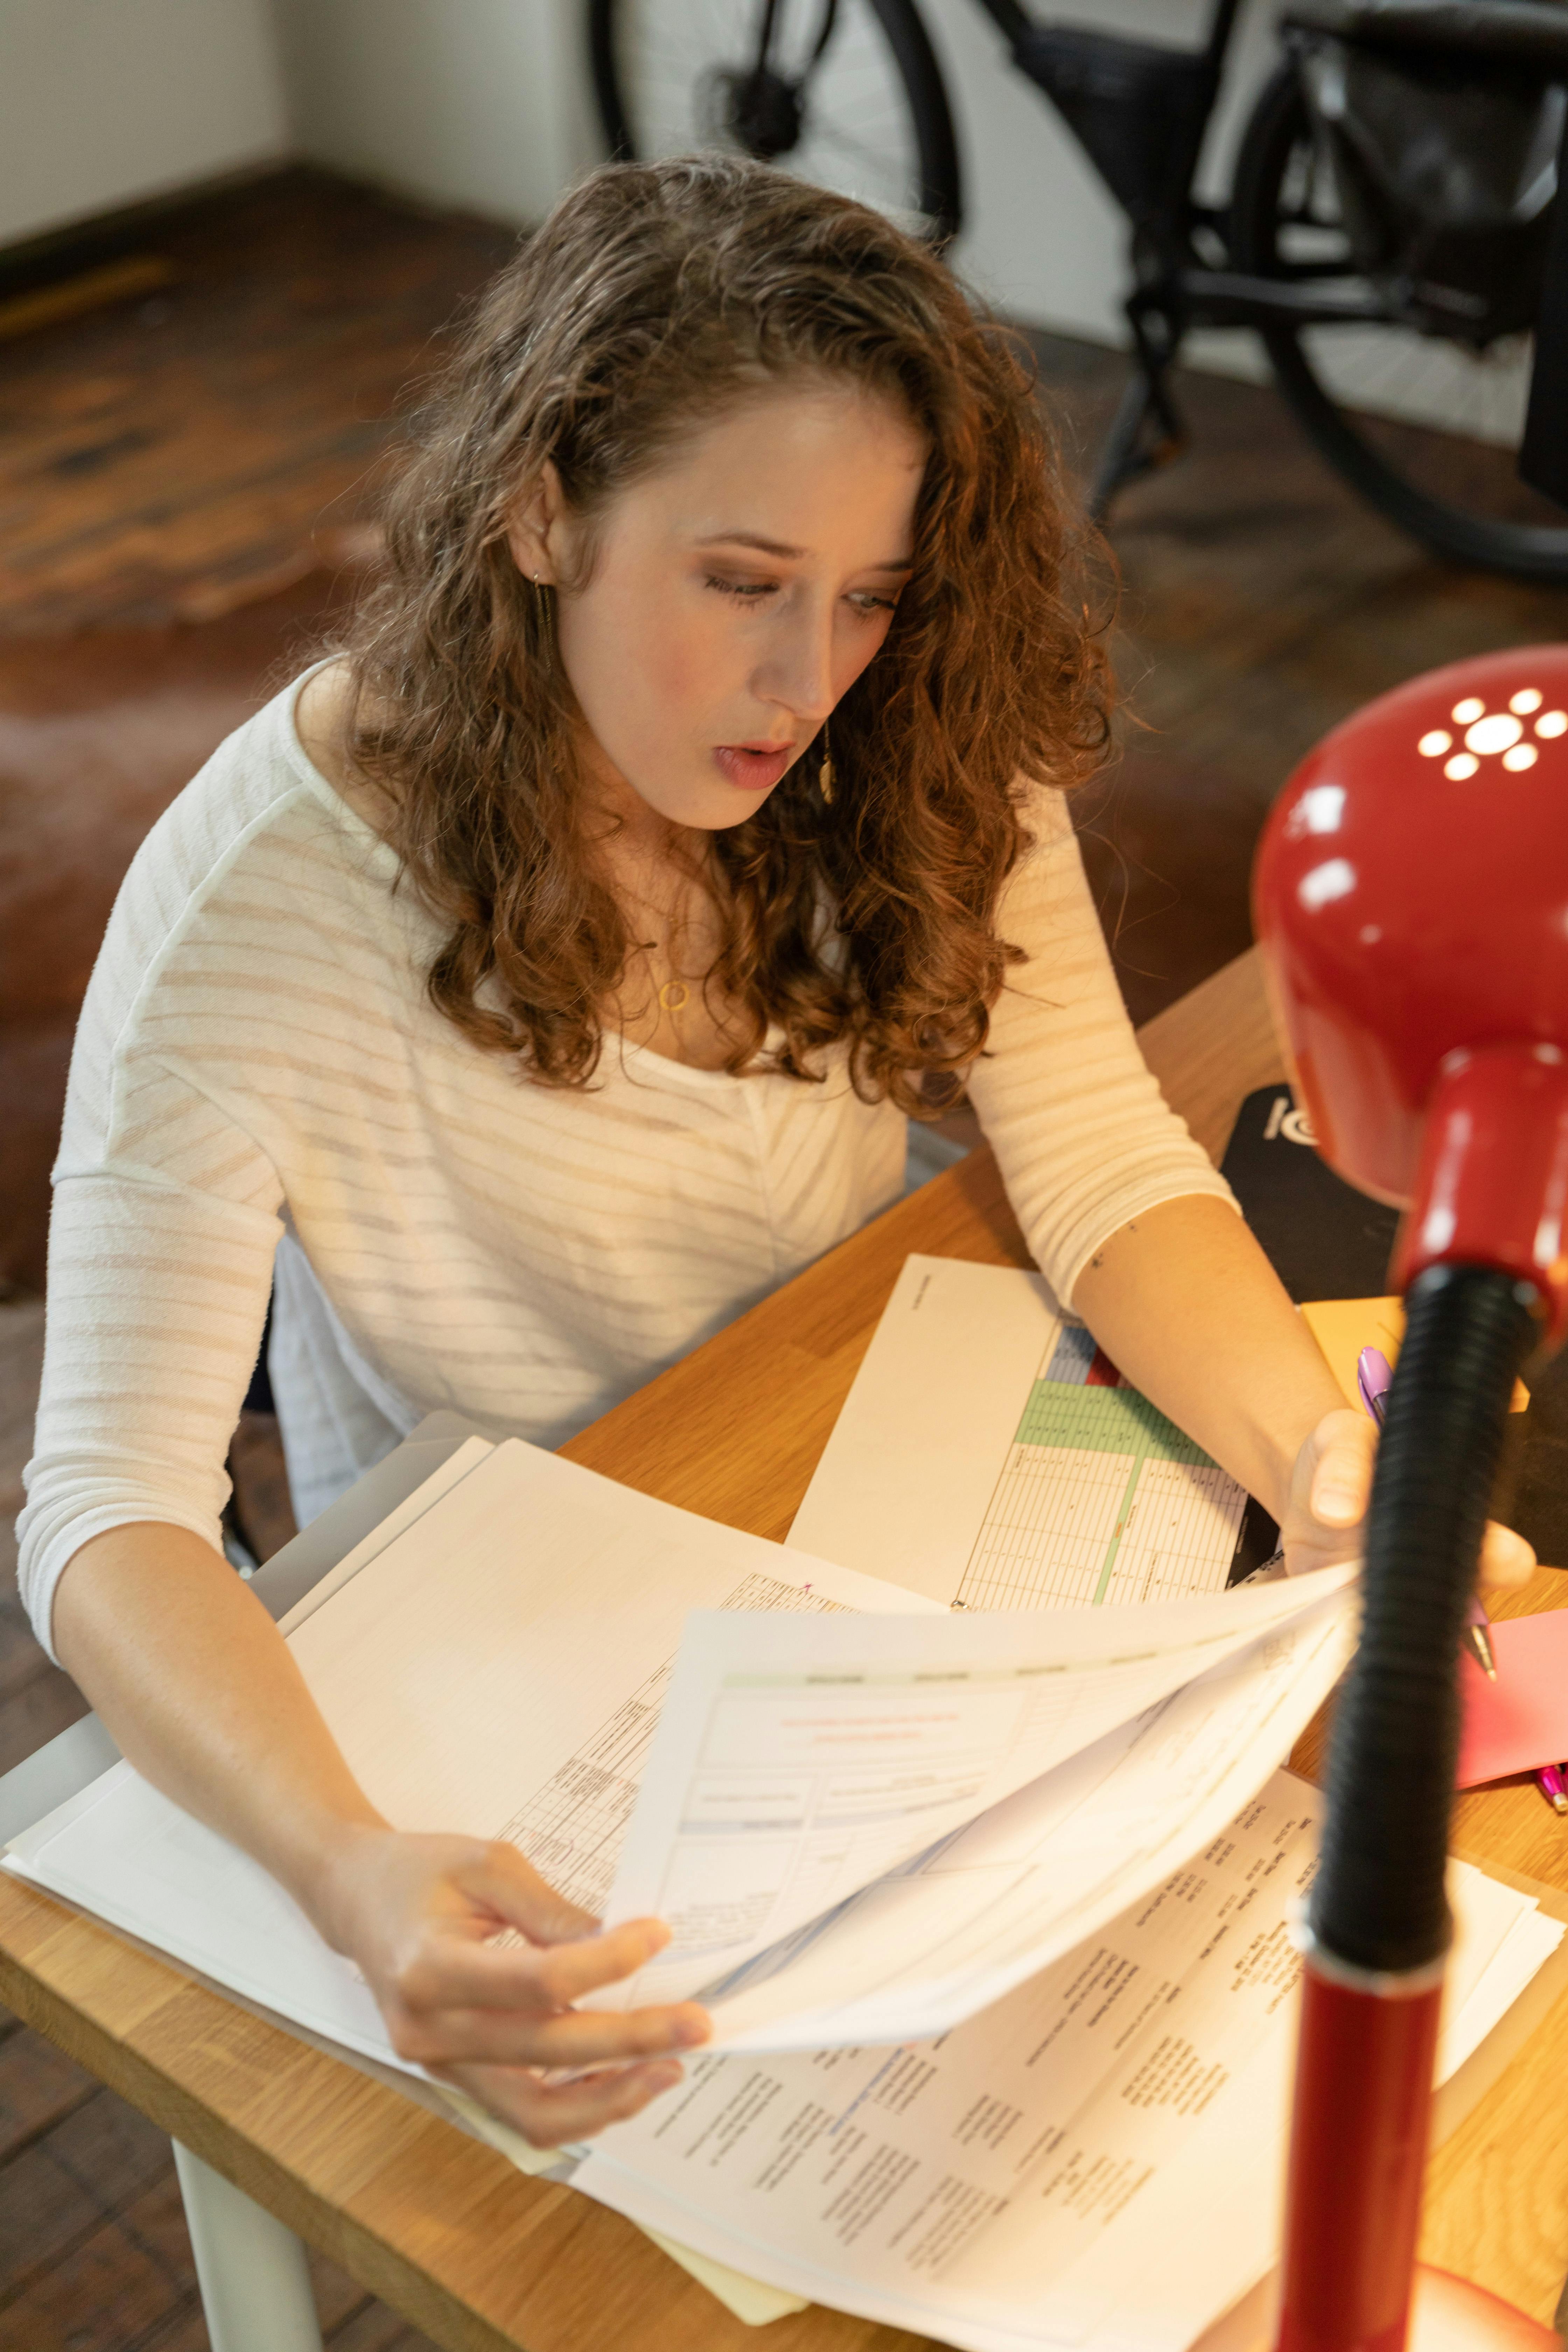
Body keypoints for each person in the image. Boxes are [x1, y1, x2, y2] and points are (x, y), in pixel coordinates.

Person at [18, 156, 1532, 2149]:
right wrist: (347, 1867)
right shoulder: (260, 900)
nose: (807, 681)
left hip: (841, 1461)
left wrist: (1321, 1472)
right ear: (540, 506)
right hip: (518, 1612)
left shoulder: (904, 732)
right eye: (740, 581)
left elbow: (1093, 1156)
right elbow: (102, 1513)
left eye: (870, 594)